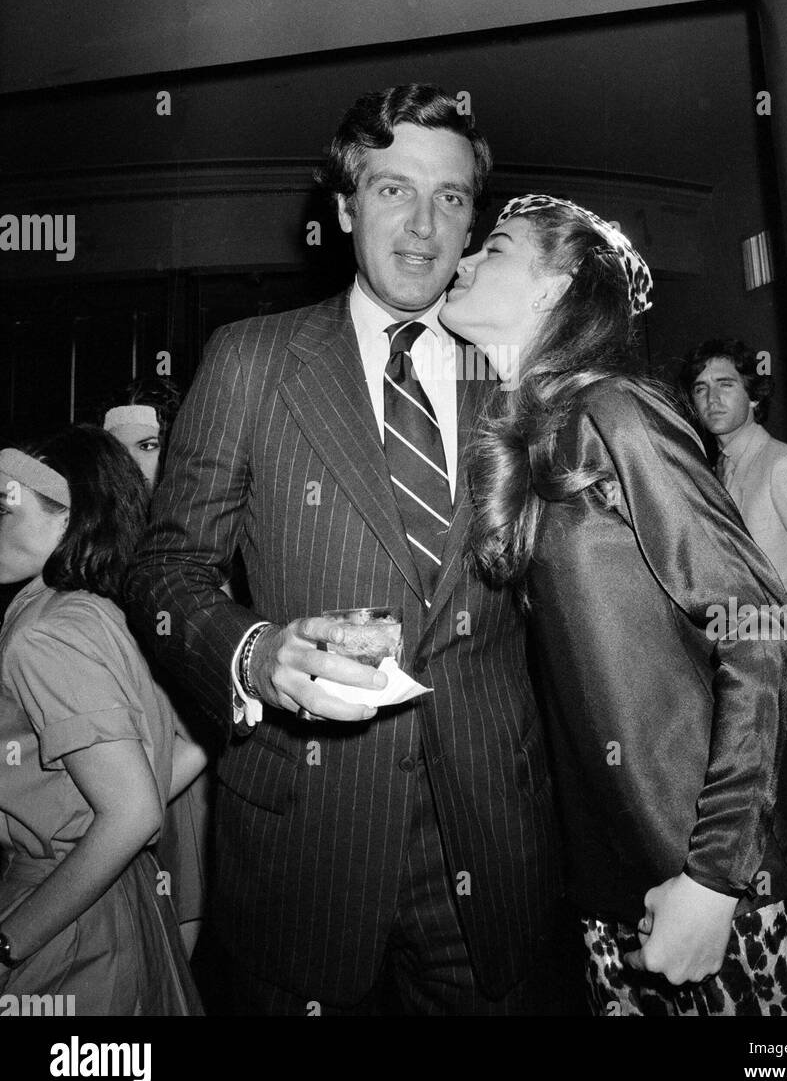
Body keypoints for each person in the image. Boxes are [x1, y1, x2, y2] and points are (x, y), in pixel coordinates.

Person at [125, 85, 561, 1016]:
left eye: (450, 198)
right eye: (393, 189)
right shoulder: (250, 358)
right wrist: (253, 653)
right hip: (304, 843)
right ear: (343, 207)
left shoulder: (521, 373)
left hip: (490, 838)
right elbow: (165, 570)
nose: (422, 224)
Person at [439, 193, 787, 1016]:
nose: (461, 260)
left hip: (729, 888)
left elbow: (759, 629)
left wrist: (712, 879)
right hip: (619, 889)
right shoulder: (537, 435)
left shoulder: (614, 408)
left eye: (492, 247)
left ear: (555, 285)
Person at [0, 428, 205, 1014]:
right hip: (114, 894)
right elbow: (190, 745)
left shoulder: (48, 633)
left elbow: (133, 812)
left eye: (4, 507)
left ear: (71, 518)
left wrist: (12, 940)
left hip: (61, 913)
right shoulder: (103, 612)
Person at [680, 339, 787, 850]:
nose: (711, 399)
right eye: (701, 388)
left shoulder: (780, 464)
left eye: (726, 385)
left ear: (754, 395)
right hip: (750, 673)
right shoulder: (720, 471)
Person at [101, 377, 213, 956]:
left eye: (149, 445)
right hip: (117, 780)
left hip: (182, 781)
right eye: (120, 447)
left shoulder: (201, 547)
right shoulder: (96, 549)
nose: (133, 463)